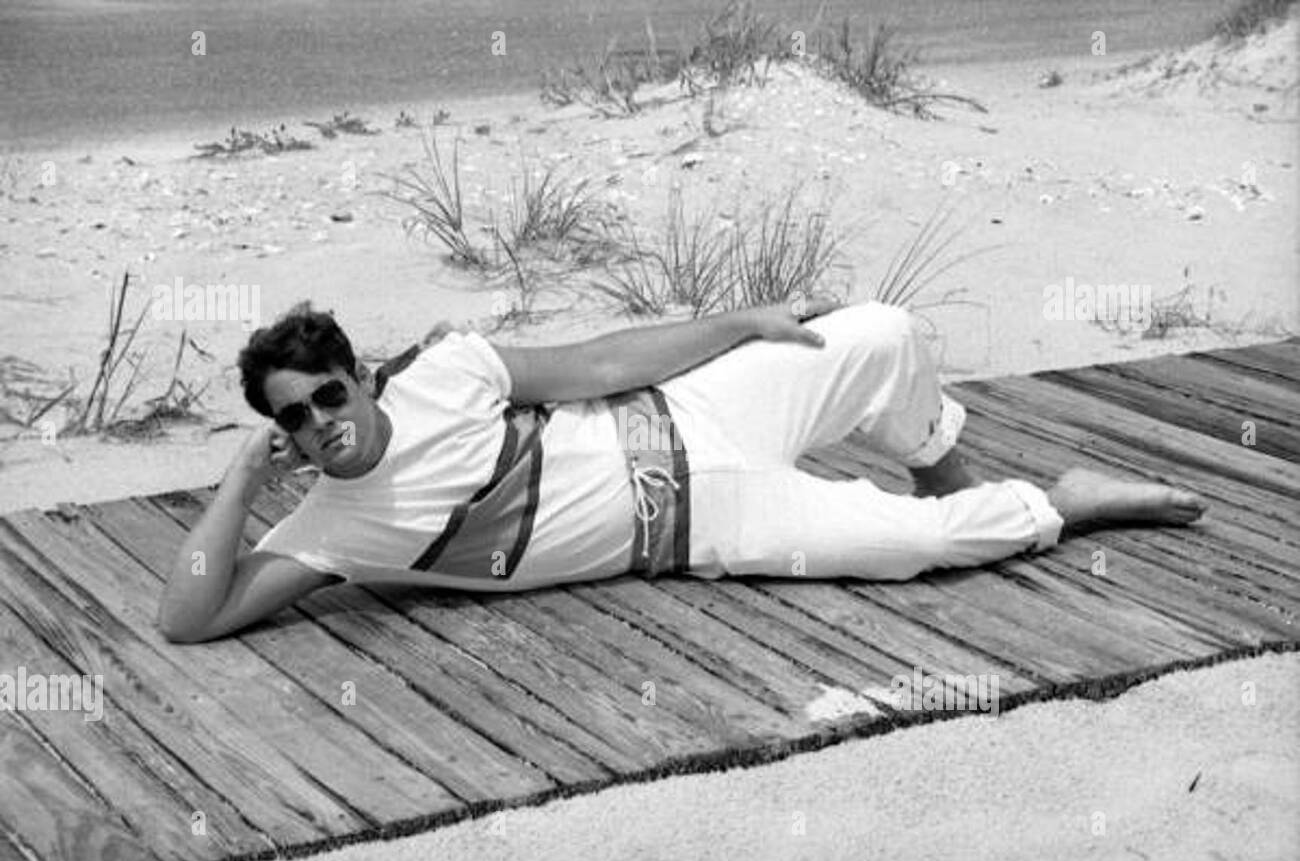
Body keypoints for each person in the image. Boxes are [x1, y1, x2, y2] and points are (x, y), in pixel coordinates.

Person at [157, 297, 1206, 643]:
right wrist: (244, 482)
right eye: (295, 421)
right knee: (917, 551)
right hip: (703, 525)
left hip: (683, 411)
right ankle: (1052, 503)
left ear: (359, 377)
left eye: (328, 396)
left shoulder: (450, 372)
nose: (322, 425)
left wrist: (735, 324)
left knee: (880, 332)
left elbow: (604, 363)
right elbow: (190, 618)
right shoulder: (330, 529)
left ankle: (948, 467)